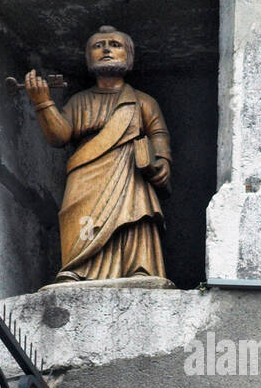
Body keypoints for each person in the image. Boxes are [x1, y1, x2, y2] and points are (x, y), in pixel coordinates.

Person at [25, 26, 172, 282]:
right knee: (81, 215)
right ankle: (79, 268)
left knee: (135, 214)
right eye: (98, 45)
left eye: (114, 45)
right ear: (87, 57)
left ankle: (140, 268)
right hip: (87, 171)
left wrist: (162, 160)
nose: (106, 49)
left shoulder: (143, 101)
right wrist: (43, 102)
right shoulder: (79, 101)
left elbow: (158, 134)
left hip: (129, 170)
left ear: (129, 56)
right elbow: (59, 136)